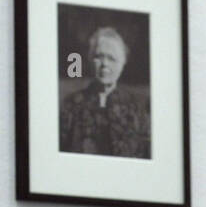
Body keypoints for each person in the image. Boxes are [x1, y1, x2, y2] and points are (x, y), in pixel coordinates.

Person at [59, 27, 151, 159]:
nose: (104, 64)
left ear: (122, 63)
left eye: (112, 58)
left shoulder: (137, 109)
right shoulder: (71, 105)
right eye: (98, 57)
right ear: (90, 59)